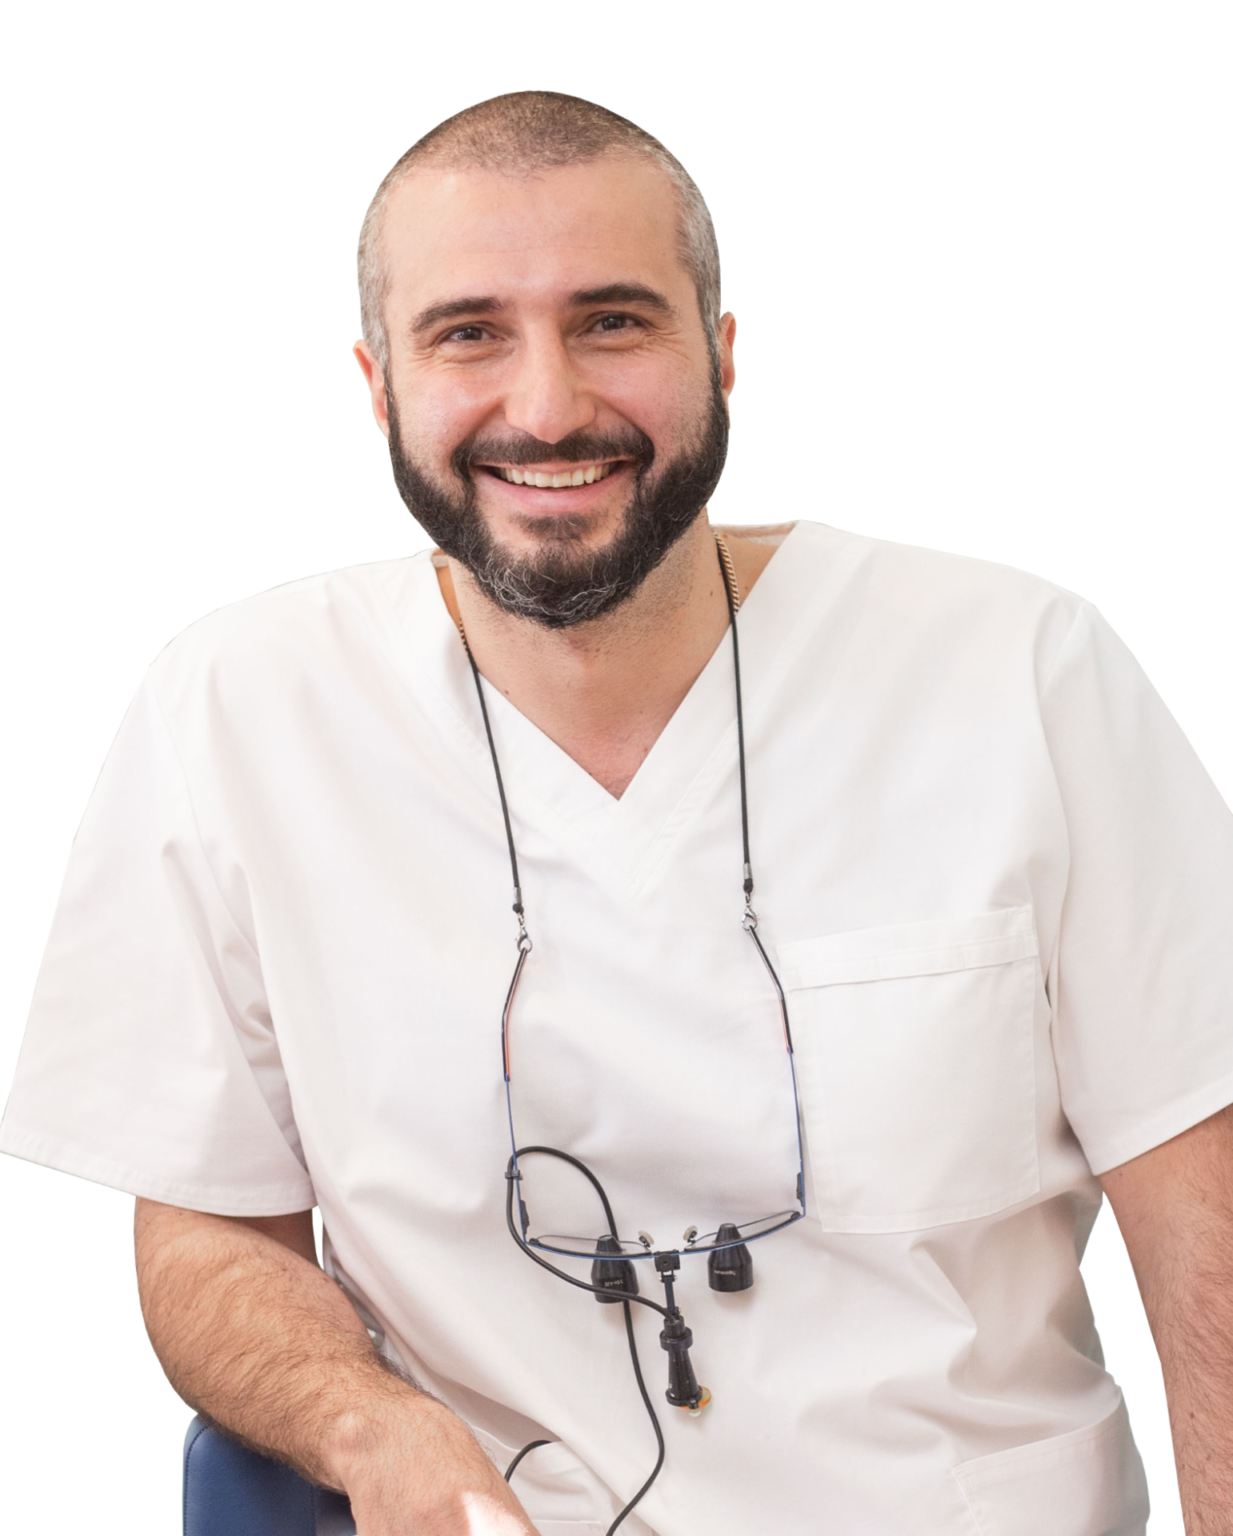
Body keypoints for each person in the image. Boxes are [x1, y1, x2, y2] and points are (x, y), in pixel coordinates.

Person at [1, 90, 1230, 1536]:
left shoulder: (1024, 668)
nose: (546, 407)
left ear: (723, 354)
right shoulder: (233, 707)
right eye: (469, 333)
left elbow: (1207, 1215)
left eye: (614, 322)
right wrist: (368, 1426)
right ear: (378, 383)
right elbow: (208, 1238)